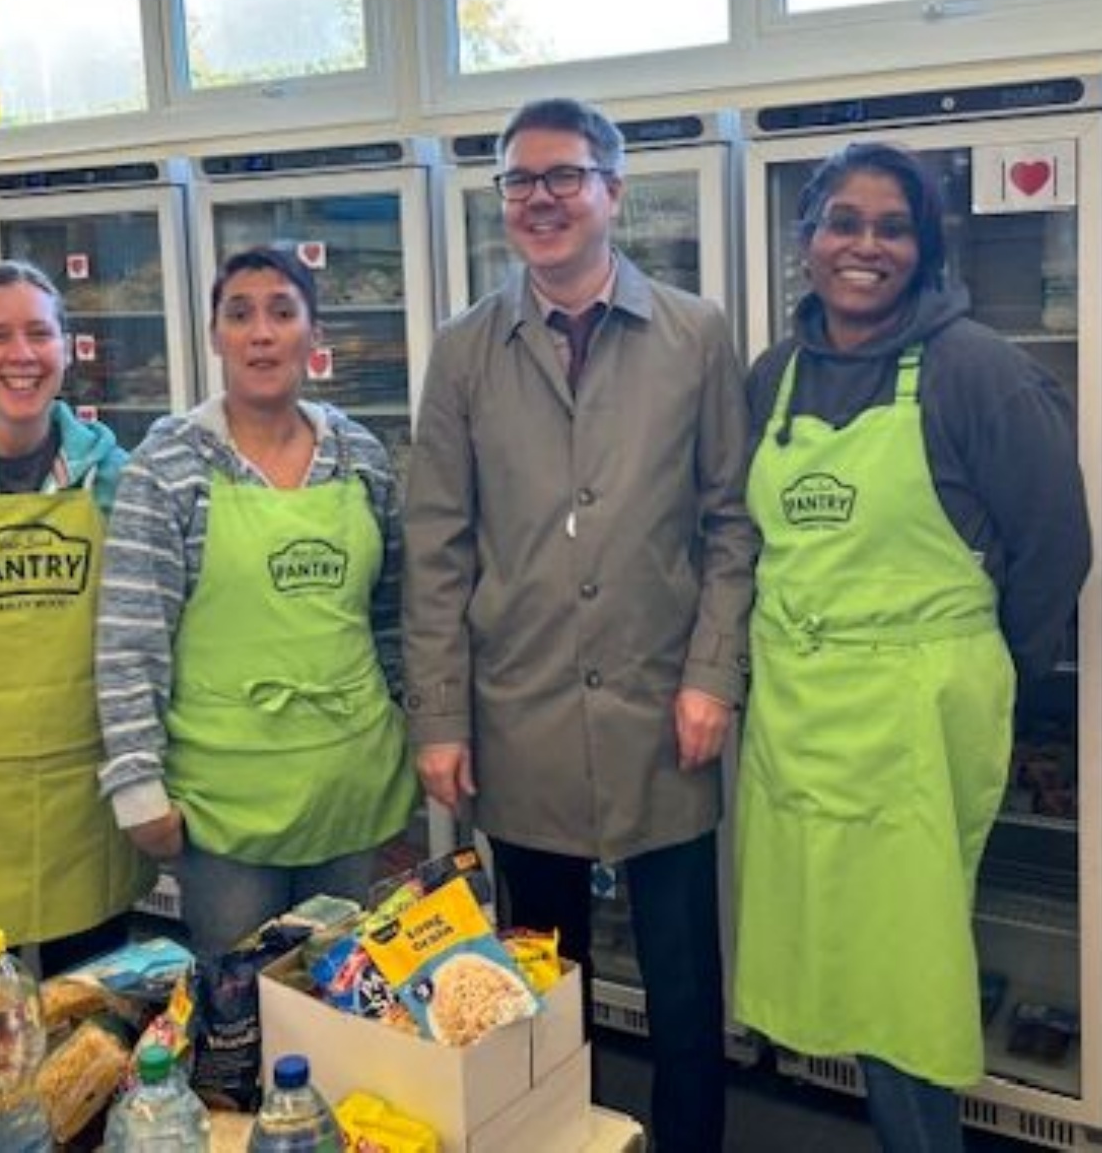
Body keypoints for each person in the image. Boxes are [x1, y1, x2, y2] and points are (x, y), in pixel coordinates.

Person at [402, 97, 756, 1153]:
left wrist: (714, 675)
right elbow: (437, 546)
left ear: (613, 190)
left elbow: (729, 522)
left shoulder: (695, 333)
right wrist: (439, 717)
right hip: (522, 710)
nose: (540, 200)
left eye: (563, 177)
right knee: (546, 982)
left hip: (663, 707)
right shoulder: (465, 350)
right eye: (519, 182)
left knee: (686, 980)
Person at [733, 141, 1092, 1152]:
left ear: (923, 250)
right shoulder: (772, 379)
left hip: (916, 721)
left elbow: (1056, 545)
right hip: (800, 712)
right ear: (807, 241)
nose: (865, 245)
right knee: (828, 952)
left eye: (894, 227)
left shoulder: (976, 369)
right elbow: (743, 540)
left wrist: (982, 668)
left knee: (905, 969)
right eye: (843, 222)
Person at [95, 245, 416, 955]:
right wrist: (137, 785)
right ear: (215, 335)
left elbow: (391, 616)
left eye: (281, 312)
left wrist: (410, 734)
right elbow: (129, 637)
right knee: (240, 1010)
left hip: (348, 782)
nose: (261, 332)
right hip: (223, 795)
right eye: (239, 314)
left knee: (341, 1002)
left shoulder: (360, 456)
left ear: (316, 333)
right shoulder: (171, 464)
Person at [0, 260, 151, 989]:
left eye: (41, 333)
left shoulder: (111, 474)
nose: (22, 354)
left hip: (81, 794)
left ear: (67, 349)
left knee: (93, 1035)